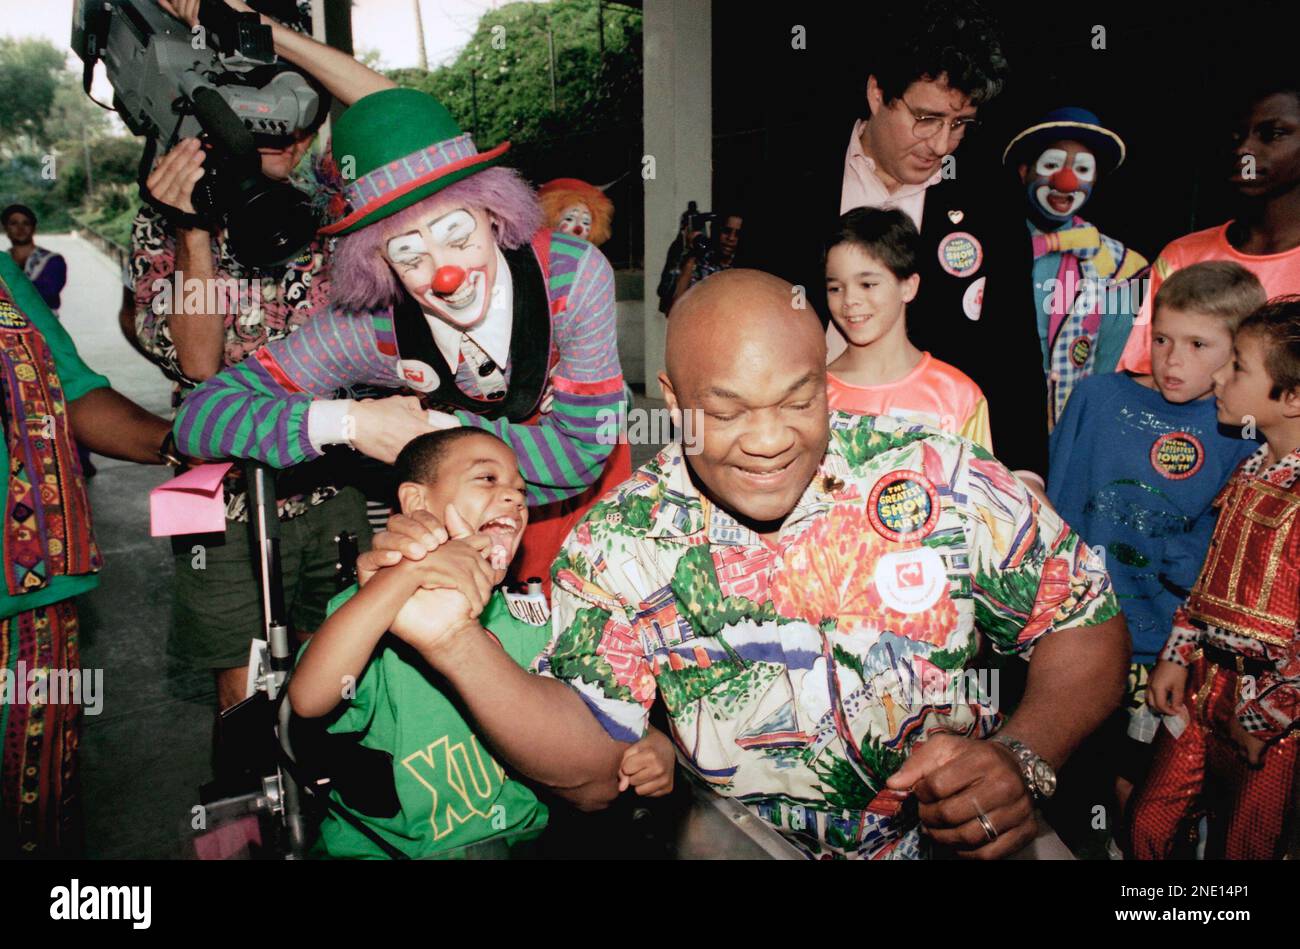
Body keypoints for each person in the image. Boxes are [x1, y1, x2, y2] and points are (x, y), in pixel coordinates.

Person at [356, 269, 1131, 860]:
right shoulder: (621, 541)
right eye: (725, 412)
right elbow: (597, 769)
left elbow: (1083, 622)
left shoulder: (940, 476)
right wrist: (456, 642)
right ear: (671, 397)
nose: (767, 440)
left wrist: (1023, 755)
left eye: (798, 402)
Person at [172, 81, 630, 601]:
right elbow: (199, 419)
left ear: (494, 212)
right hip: (452, 506)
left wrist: (434, 433)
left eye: (457, 234)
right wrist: (349, 423)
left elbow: (581, 455)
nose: (446, 274)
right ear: (380, 263)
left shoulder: (572, 275)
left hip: (577, 501)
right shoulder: (371, 324)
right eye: (410, 255)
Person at [142, 0, 390, 711]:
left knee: (334, 677)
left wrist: (279, 37)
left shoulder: (339, 213)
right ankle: (252, 819)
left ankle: (322, 813)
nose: (277, 123)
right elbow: (199, 369)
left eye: (291, 102)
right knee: (244, 694)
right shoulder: (168, 204)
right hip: (214, 500)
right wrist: (192, 232)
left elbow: (397, 110)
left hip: (330, 478)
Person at [290, 428, 674, 858]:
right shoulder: (375, 608)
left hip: (520, 842)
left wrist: (653, 741)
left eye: (520, 490)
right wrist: (405, 577)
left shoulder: (532, 614)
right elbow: (309, 699)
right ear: (417, 502)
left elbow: (590, 707)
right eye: (487, 480)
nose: (513, 497)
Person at [749, 0, 1051, 490]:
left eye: (960, 124)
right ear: (877, 93)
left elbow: (1011, 346)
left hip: (936, 461)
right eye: (926, 118)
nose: (941, 145)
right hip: (802, 451)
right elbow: (755, 320)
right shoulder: (793, 178)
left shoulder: (987, 197)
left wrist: (1025, 475)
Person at [1046, 262, 1264, 845]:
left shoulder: (1239, 434)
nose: (1173, 360)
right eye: (1163, 339)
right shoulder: (1096, 397)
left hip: (1161, 653)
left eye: (1198, 345)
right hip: (1071, 635)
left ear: (1237, 351)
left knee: (1140, 793)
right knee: (1062, 785)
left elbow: (1218, 563)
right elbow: (1052, 509)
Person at [0, 253, 175, 856]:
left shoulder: (2, 279)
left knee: (37, 804)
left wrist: (181, 443)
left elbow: (74, 394)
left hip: (29, 593)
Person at [1128, 295, 1300, 860]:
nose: (1220, 377)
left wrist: (1264, 718)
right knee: (1147, 826)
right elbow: (1210, 581)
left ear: (1292, 397)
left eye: (1238, 367)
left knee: (1247, 845)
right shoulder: (1251, 468)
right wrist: (1178, 654)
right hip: (1204, 687)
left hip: (1272, 713)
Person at [1117, 74, 1300, 375]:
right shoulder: (1184, 255)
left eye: (1272, 134)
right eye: (1236, 136)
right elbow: (1143, 370)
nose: (1244, 149)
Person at [1003, 108, 1150, 427]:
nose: (1066, 180)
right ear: (1024, 171)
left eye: (1082, 169)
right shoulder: (988, 247)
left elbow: (1112, 373)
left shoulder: (1124, 267)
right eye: (1052, 165)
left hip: (1072, 432)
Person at [823, 207, 991, 451]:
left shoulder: (957, 395)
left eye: (867, 284)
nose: (850, 300)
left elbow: (980, 486)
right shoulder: (814, 395)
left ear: (909, 287)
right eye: (835, 288)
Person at [669, 210, 744, 308]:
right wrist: (692, 255)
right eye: (727, 231)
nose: (731, 238)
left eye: (737, 234)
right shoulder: (700, 261)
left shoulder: (741, 269)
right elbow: (676, 305)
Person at [2, 204, 66, 315]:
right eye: (14, 223)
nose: (20, 228)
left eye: (26, 223)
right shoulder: (3, 261)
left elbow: (48, 295)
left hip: (43, 328)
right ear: (5, 228)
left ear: (33, 228)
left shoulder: (53, 261)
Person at [538, 178, 614, 246]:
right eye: (569, 219)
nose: (578, 228)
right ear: (552, 221)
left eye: (586, 223)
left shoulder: (590, 260)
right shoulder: (535, 252)